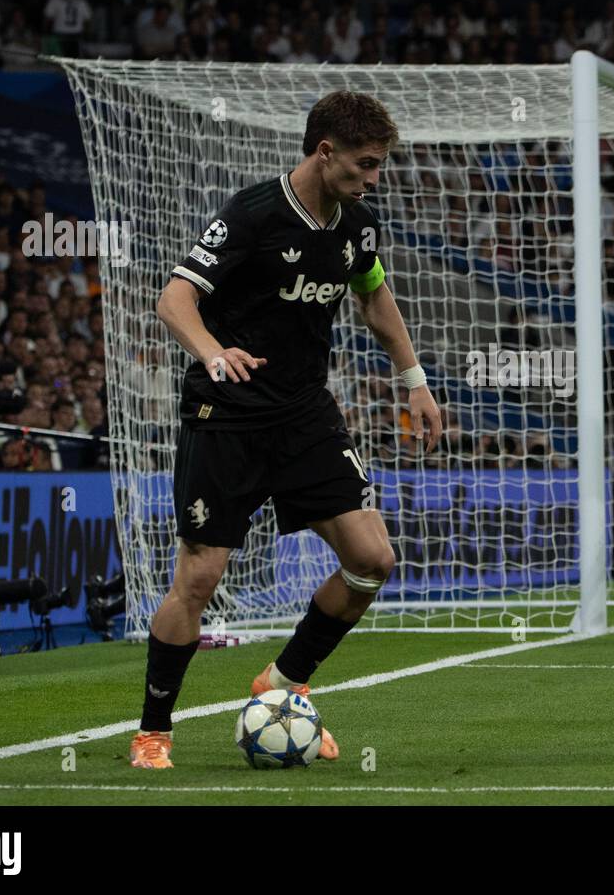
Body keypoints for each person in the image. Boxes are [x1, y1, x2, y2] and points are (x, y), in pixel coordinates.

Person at [130, 92, 443, 769]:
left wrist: (414, 380)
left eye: (378, 166)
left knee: (372, 560)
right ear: (324, 152)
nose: (372, 179)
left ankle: (281, 684)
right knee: (200, 577)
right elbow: (173, 299)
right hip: (229, 413)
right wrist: (212, 351)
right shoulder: (252, 215)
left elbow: (372, 294)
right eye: (363, 166)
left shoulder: (358, 225)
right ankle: (154, 730)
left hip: (304, 413)